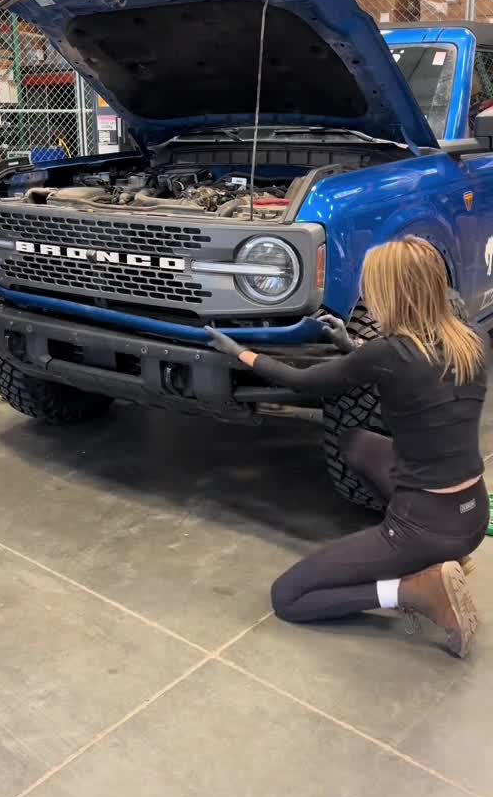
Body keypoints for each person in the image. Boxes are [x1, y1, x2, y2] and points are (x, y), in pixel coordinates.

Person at [206, 236, 489, 658]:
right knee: (355, 442)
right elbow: (416, 375)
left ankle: (416, 590)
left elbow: (302, 381)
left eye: (371, 287)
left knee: (289, 596)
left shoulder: (387, 354)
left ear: (391, 292)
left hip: (424, 526)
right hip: (472, 513)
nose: (367, 297)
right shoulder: (473, 339)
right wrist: (351, 348)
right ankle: (445, 557)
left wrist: (242, 354)